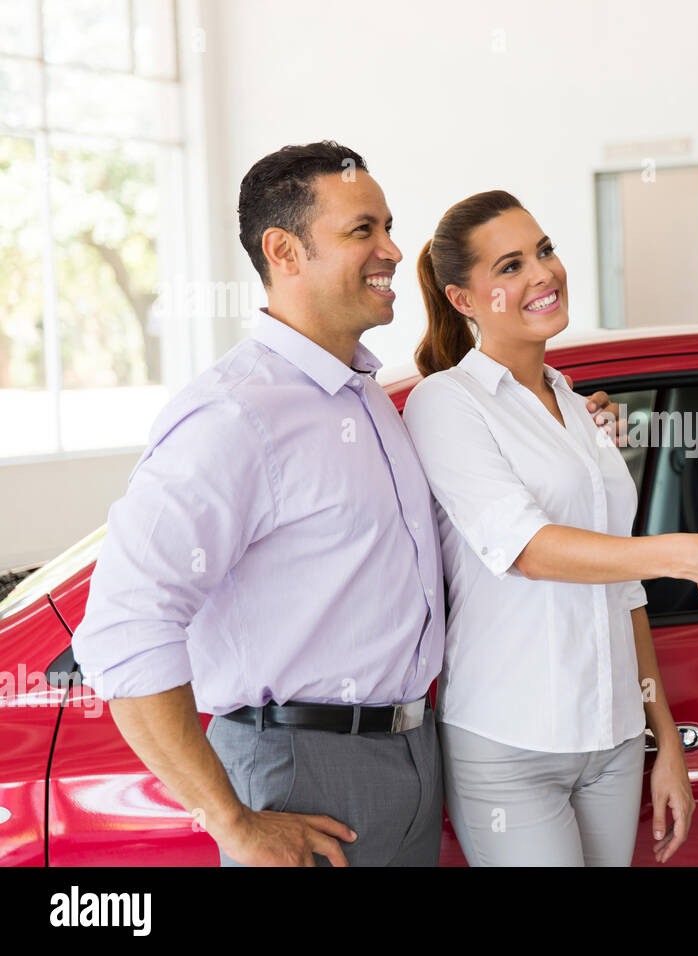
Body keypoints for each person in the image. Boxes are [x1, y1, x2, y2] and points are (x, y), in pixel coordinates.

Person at [70, 142, 619, 867]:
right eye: (364, 230)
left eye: (388, 226)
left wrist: (577, 434)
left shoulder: (370, 399)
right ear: (284, 251)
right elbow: (123, 629)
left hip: (411, 754)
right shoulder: (235, 417)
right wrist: (232, 822)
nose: (393, 250)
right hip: (301, 772)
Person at [402, 190, 698, 865]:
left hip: (612, 740)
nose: (543, 274)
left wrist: (662, 736)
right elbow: (528, 550)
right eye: (510, 266)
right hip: (510, 743)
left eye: (545, 251)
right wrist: (693, 553)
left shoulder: (581, 410)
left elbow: (623, 588)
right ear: (464, 299)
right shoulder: (445, 404)